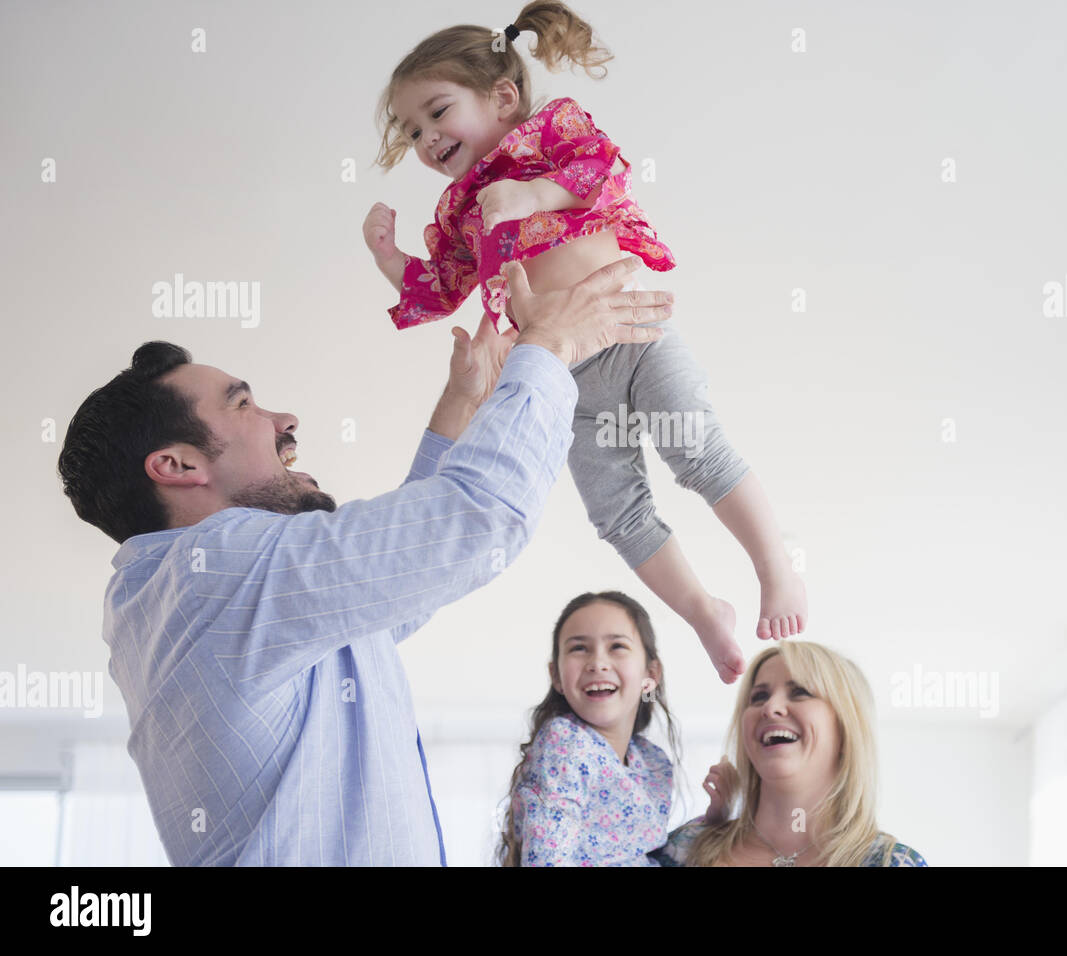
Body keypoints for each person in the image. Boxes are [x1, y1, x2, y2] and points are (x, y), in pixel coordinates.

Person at [55, 255, 669, 865]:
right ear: (179, 466)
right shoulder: (212, 571)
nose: (284, 419)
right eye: (242, 405)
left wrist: (464, 404)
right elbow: (477, 519)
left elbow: (383, 602)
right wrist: (548, 347)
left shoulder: (196, 594)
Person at [363, 0, 809, 684]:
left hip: (632, 338)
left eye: (437, 112)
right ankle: (702, 612)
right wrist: (390, 258)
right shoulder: (458, 212)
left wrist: (531, 195)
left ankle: (776, 569)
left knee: (695, 451)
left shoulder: (548, 134)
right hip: (561, 379)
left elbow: (600, 172)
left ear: (503, 96)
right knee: (616, 510)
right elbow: (445, 286)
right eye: (413, 128)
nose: (425, 138)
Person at [650, 641, 929, 866]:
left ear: (846, 729)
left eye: (800, 692)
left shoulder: (891, 862)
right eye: (758, 697)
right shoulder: (683, 852)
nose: (770, 708)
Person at [498, 591, 682, 866]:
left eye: (617, 646)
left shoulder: (652, 761)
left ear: (650, 676)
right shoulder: (564, 743)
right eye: (579, 648)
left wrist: (714, 818)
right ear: (557, 676)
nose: (597, 663)